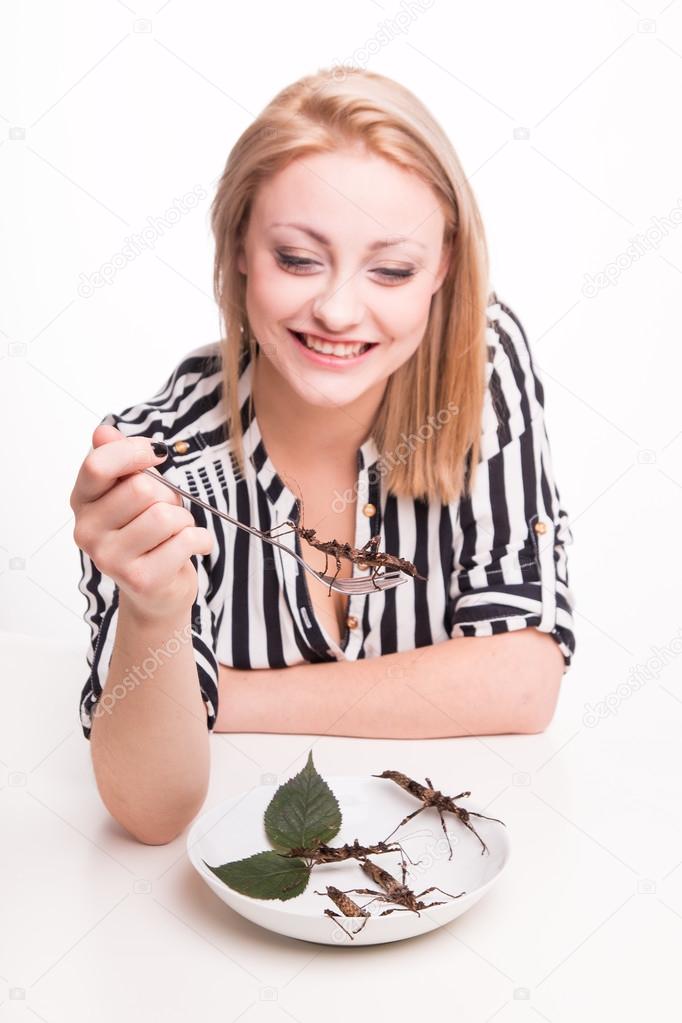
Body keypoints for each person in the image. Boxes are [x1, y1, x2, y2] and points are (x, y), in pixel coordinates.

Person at [70, 67, 576, 844]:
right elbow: (150, 812)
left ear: (442, 267)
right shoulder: (159, 464)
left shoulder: (482, 364)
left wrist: (226, 699)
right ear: (240, 248)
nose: (339, 309)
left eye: (393, 269)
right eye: (299, 259)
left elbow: (526, 683)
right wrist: (156, 611)